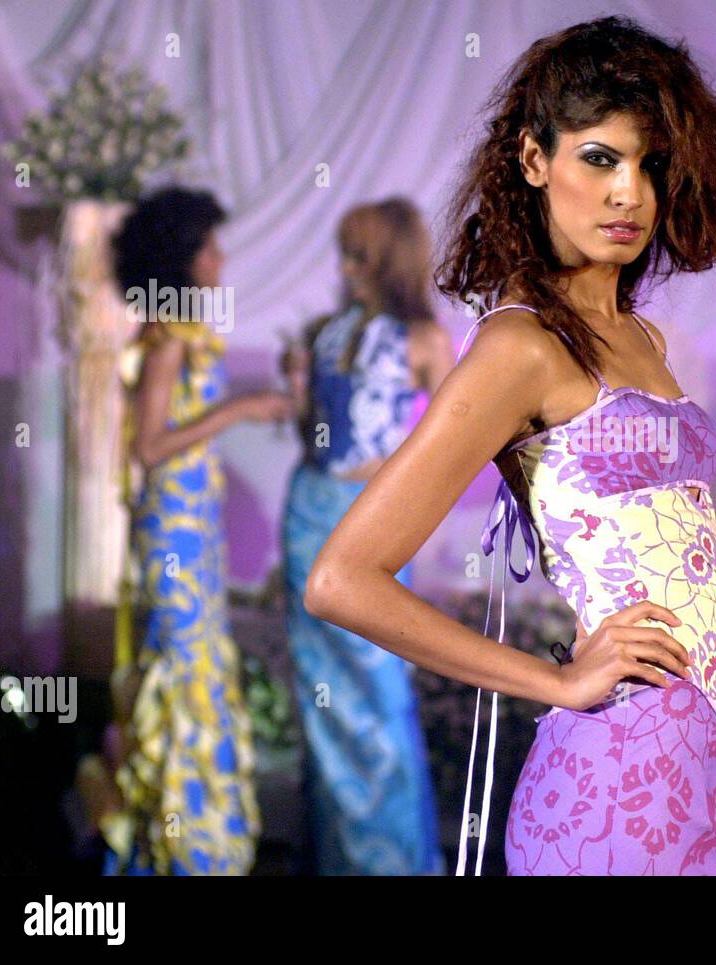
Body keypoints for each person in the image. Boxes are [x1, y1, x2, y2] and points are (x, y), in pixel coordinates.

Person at [304, 15, 716, 875]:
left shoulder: (645, 340)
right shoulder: (520, 348)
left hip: (715, 772)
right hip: (619, 785)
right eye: (600, 158)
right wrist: (556, 682)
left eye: (651, 164)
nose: (629, 192)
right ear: (532, 161)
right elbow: (341, 580)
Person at [102, 186, 293, 874]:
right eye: (209, 245)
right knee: (183, 673)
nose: (221, 257)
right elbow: (150, 447)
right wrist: (240, 410)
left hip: (192, 530)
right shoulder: (168, 342)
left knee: (194, 669)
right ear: (182, 259)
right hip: (174, 532)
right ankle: (186, 847)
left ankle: (191, 841)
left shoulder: (182, 335)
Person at [280, 198, 452, 875]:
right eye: (346, 254)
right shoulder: (328, 331)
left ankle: (397, 861)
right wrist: (298, 393)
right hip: (311, 508)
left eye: (363, 256)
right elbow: (311, 435)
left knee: (378, 690)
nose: (350, 269)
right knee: (324, 700)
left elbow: (452, 444)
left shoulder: (426, 339)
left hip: (374, 516)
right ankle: (344, 860)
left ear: (392, 260)